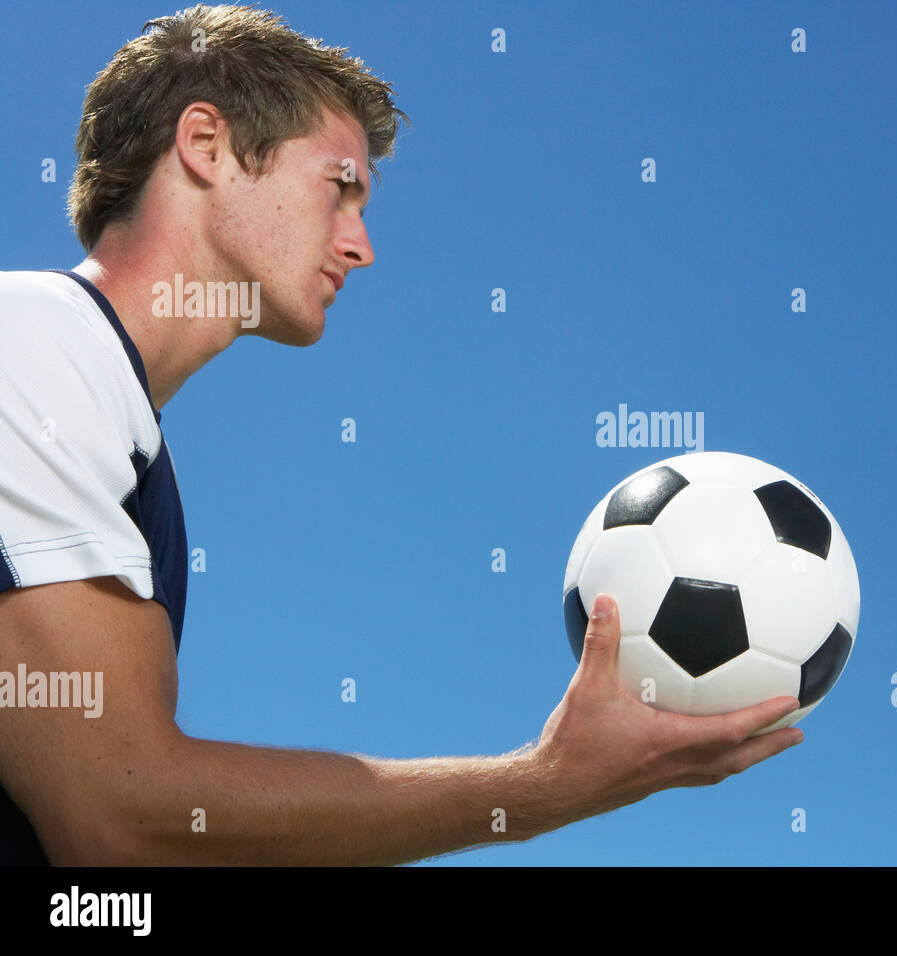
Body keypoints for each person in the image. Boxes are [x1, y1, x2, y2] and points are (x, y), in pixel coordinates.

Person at [0, 4, 803, 866]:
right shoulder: (34, 338)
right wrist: (545, 784)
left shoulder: (118, 431)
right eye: (339, 188)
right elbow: (118, 816)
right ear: (207, 146)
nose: (362, 246)